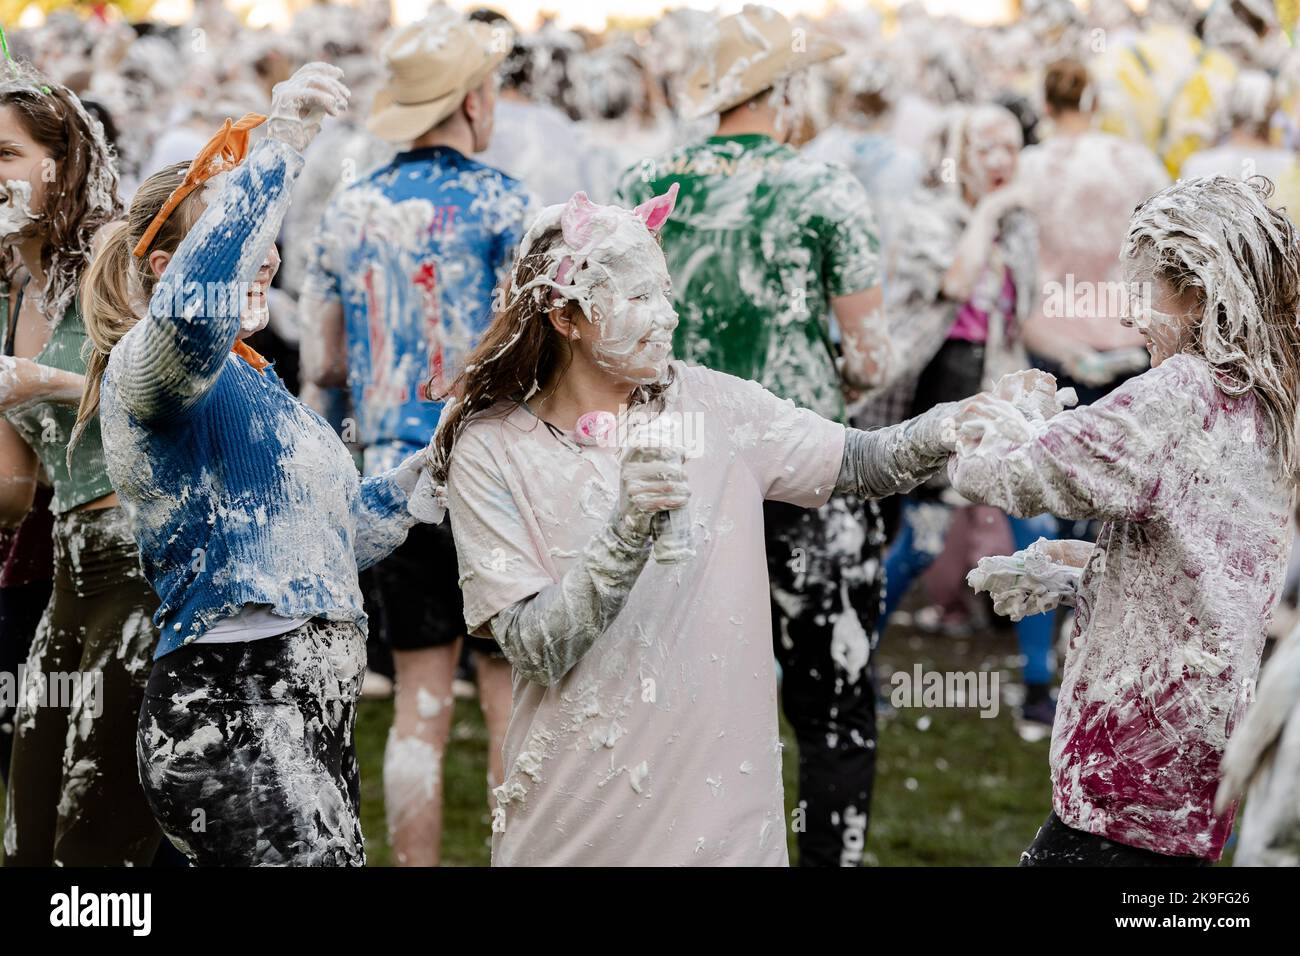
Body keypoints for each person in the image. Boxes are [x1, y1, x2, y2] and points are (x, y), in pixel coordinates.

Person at [433, 185, 969, 866]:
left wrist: (952, 426)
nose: (666, 316)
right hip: (577, 830)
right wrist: (628, 533)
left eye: (663, 291)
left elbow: (862, 462)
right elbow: (536, 650)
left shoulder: (715, 405)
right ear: (564, 317)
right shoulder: (494, 448)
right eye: (635, 298)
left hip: (726, 834)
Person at [83, 63, 430, 866]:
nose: (267, 259)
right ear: (166, 269)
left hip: (311, 708)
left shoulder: (260, 382)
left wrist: (429, 475)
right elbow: (196, 309)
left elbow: (330, 545)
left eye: (270, 238)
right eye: (247, 237)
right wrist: (277, 148)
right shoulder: (149, 365)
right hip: (230, 708)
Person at [954, 175, 1300, 865]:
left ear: (1200, 294)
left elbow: (1010, 473)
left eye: (1147, 293)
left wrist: (1003, 417)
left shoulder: (1182, 393)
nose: (1132, 317)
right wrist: (1085, 570)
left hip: (1124, 774)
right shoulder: (1273, 404)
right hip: (1200, 775)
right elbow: (1206, 575)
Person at [615, 5, 891, 866]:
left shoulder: (643, 184)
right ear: (786, 91)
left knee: (673, 698)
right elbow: (872, 357)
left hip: (675, 461)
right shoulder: (824, 189)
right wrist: (843, 375)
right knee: (834, 700)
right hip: (804, 467)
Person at [302, 11, 535, 867]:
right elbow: (535, 356)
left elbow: (325, 360)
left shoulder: (351, 209)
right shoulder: (507, 203)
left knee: (418, 706)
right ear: (476, 100)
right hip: (496, 479)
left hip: (390, 485)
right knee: (514, 703)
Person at [0, 65, 175, 867]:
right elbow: (14, 490)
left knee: (100, 834)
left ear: (59, 162)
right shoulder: (12, 285)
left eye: (4, 153)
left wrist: (49, 382)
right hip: (70, 575)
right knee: (29, 826)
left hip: (147, 558)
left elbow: (178, 398)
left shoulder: (114, 251)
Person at [871, 104, 1059, 728]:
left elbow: (1017, 317)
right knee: (920, 544)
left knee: (1036, 531)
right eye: (988, 150)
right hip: (937, 401)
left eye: (1012, 148)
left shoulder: (1017, 226)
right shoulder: (929, 215)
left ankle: (1038, 683)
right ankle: (853, 662)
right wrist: (987, 212)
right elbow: (955, 282)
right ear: (957, 153)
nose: (1004, 162)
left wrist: (1082, 351)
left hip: (999, 404)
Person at [1016, 56, 1167, 404]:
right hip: (1131, 330)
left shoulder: (1030, 166)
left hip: (1056, 330)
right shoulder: (1137, 161)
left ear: (1046, 106)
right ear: (1096, 102)